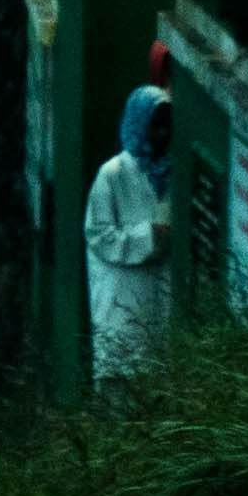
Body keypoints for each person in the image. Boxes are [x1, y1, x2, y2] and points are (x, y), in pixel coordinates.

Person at [84, 52, 178, 381]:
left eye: (166, 127)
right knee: (121, 376)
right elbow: (98, 235)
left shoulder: (174, 173)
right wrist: (147, 235)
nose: (162, 135)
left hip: (158, 297)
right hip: (120, 298)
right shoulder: (112, 174)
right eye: (155, 127)